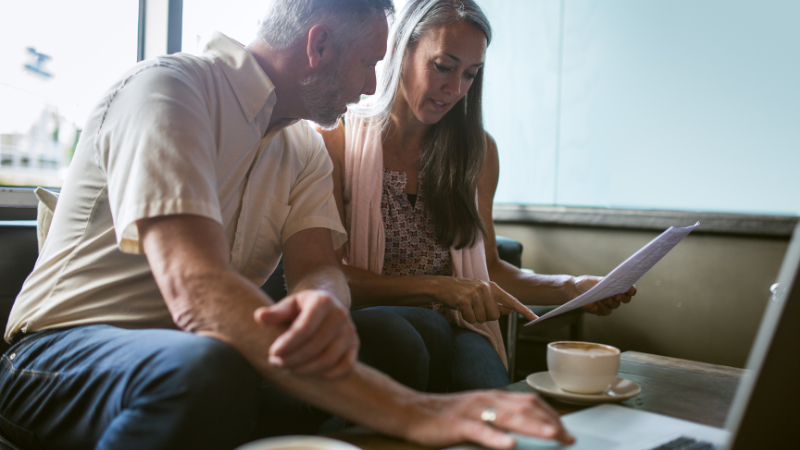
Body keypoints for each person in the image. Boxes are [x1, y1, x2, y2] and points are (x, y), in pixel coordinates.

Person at [0, 0, 575, 449]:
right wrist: (417, 411)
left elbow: (319, 267)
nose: (372, 86)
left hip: (195, 350)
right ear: (318, 45)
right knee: (205, 367)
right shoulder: (171, 92)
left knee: (386, 339)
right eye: (368, 62)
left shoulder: (300, 146)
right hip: (55, 354)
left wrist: (323, 302)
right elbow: (197, 295)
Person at [318, 0, 636, 393]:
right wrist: (440, 287)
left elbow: (488, 270)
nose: (455, 90)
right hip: (376, 325)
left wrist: (573, 287)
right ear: (401, 47)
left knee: (491, 393)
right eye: (443, 66)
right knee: (425, 333)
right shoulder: (336, 141)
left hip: (459, 326)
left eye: (470, 74)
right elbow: (327, 273)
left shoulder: (478, 153)